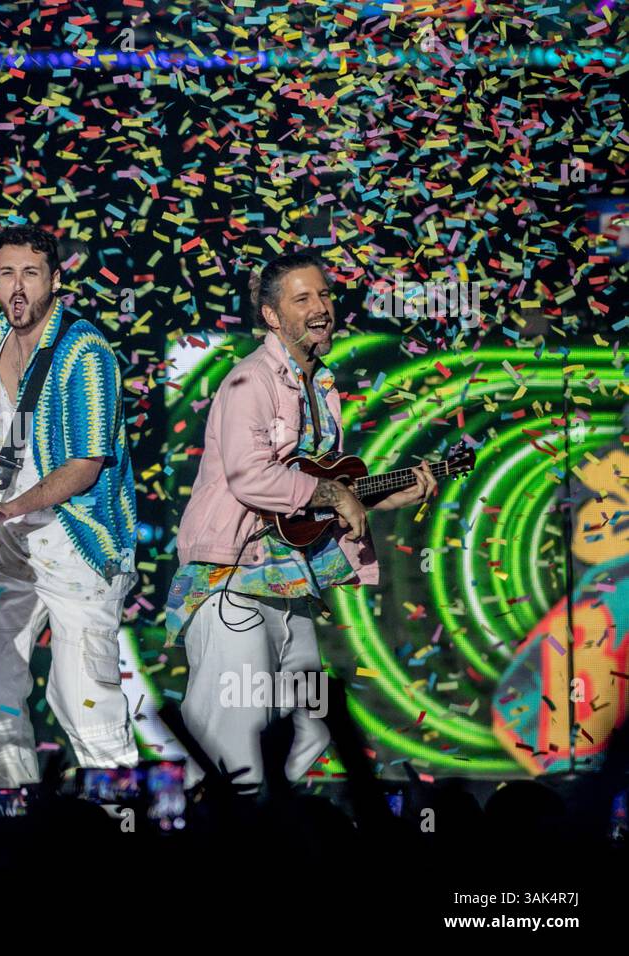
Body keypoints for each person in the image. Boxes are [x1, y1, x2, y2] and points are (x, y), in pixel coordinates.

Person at [167, 250, 437, 788]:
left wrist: (384, 496)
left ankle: (270, 823)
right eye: (303, 298)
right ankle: (219, 830)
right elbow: (250, 477)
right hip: (234, 581)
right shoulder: (250, 381)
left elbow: (315, 484)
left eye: (325, 294)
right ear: (272, 316)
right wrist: (337, 495)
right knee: (233, 731)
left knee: (311, 726)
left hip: (288, 583)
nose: (321, 307)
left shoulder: (319, 387)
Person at [0, 225, 139, 790]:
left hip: (76, 543)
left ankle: (123, 821)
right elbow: (1, 435)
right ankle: (11, 814)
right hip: (8, 541)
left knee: (83, 699)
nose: (16, 286)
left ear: (55, 280)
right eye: (6, 273)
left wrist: (9, 507)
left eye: (30, 273)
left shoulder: (87, 353)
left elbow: (86, 465)